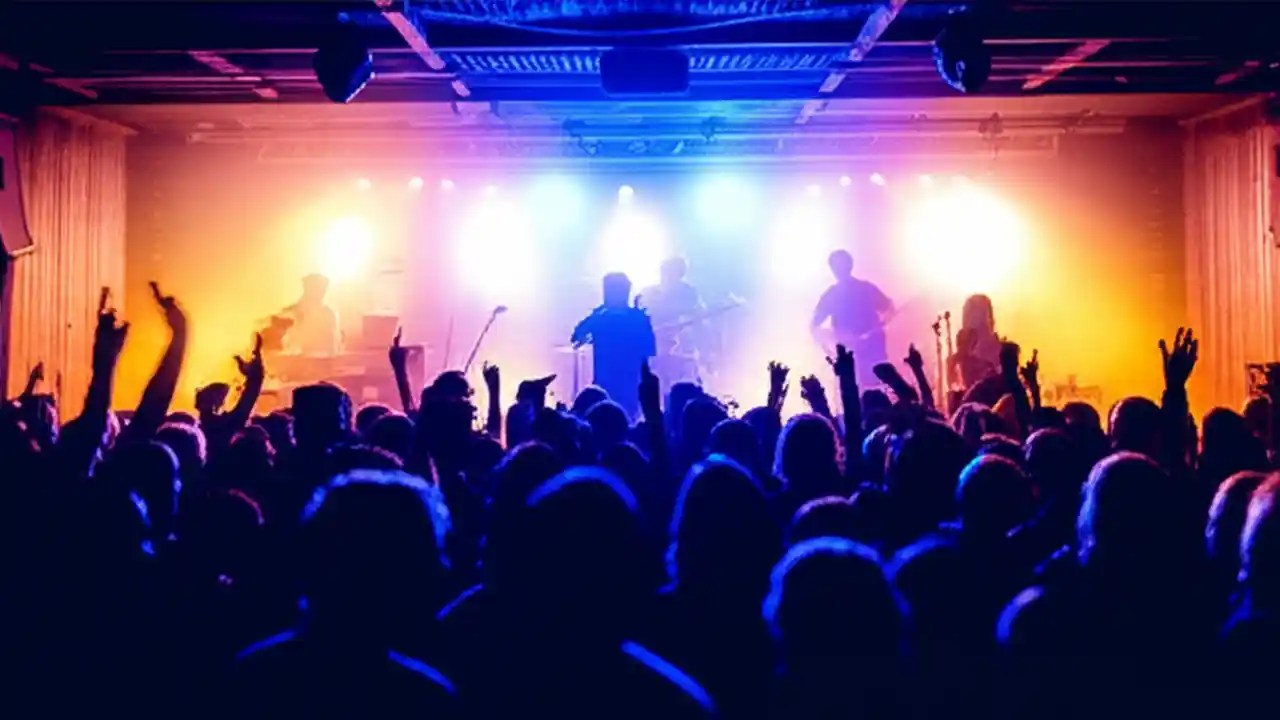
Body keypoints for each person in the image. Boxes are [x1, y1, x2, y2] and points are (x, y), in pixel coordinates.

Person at [571, 273, 657, 418]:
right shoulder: (636, 318)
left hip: (612, 381)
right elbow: (649, 351)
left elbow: (577, 336)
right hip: (627, 382)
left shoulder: (601, 317)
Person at [811, 249, 893, 386]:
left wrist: (878, 328)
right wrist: (834, 341)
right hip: (854, 354)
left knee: (863, 390)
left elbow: (889, 308)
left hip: (866, 352)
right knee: (872, 389)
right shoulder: (864, 289)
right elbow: (815, 326)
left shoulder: (832, 295)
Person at [641, 257, 707, 387]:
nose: (666, 276)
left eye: (671, 272)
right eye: (664, 272)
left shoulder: (688, 292)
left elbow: (698, 316)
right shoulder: (650, 292)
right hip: (656, 347)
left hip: (681, 348)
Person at [281, 273, 340, 356]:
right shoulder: (291, 312)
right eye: (316, 288)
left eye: (322, 289)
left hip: (319, 361)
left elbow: (332, 344)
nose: (321, 292)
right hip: (295, 361)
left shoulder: (328, 313)